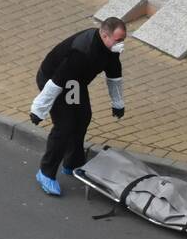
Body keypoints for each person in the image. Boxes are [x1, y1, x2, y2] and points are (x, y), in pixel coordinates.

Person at [29, 18, 128, 196]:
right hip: (54, 80)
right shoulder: (82, 50)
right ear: (105, 35)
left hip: (74, 83)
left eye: (123, 40)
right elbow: (58, 80)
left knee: (82, 117)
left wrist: (118, 103)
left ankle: (73, 163)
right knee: (65, 125)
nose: (121, 44)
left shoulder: (110, 50)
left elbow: (114, 75)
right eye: (118, 40)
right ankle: (46, 172)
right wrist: (38, 110)